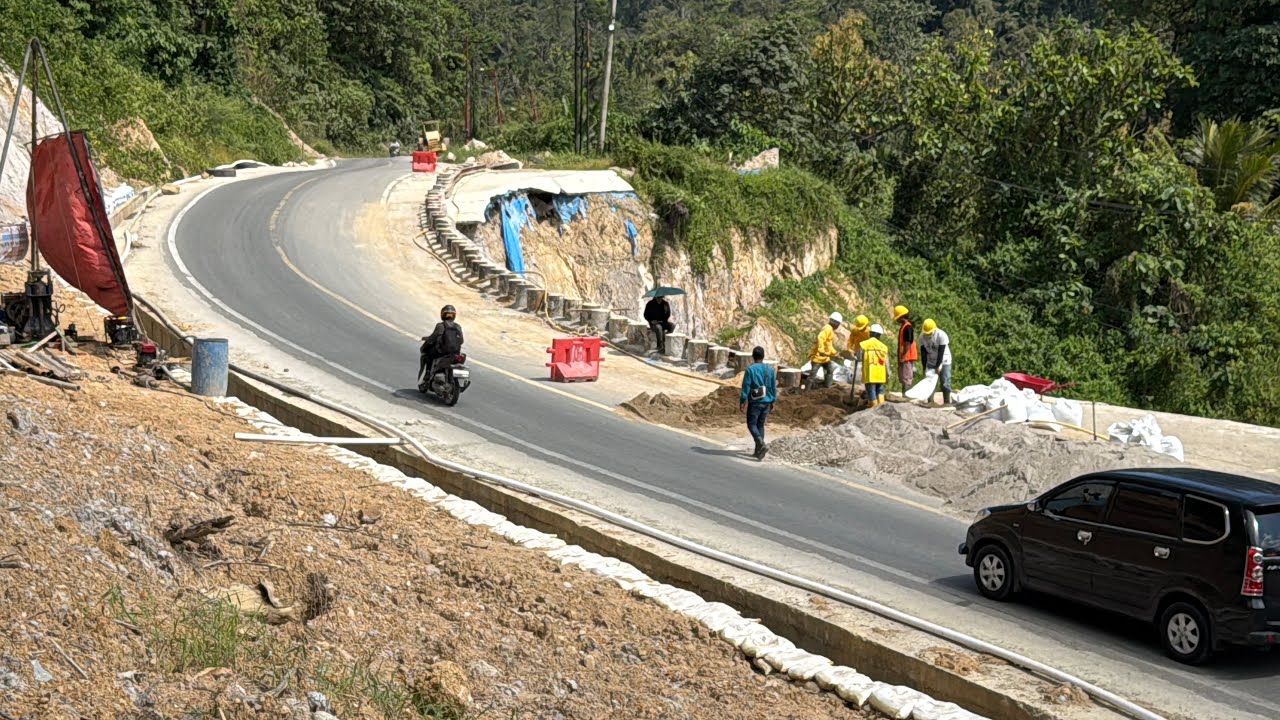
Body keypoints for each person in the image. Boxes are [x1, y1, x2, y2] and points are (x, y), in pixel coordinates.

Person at [739, 346, 777, 460]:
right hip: (767, 401)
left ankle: (760, 442)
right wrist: (773, 400)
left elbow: (746, 386)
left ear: (753, 356)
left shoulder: (750, 369)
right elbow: (772, 387)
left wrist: (742, 401)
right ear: (763, 356)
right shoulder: (770, 370)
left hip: (755, 401)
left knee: (751, 424)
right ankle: (758, 452)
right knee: (760, 425)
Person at [420, 304, 465, 383]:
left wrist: (425, 346)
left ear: (443, 314)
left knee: (429, 354)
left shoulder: (441, 326)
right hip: (455, 353)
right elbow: (461, 341)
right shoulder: (458, 327)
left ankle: (427, 374)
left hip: (442, 352)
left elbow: (432, 338)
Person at [918, 318, 953, 405]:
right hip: (931, 360)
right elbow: (923, 353)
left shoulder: (941, 335)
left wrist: (939, 365)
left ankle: (947, 401)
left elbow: (941, 352)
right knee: (930, 381)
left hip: (944, 360)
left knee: (945, 381)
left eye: (930, 333)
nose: (928, 334)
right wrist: (924, 367)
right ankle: (930, 401)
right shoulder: (922, 337)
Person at [807, 311, 842, 390]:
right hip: (818, 357)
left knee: (829, 370)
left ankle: (827, 387)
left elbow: (829, 345)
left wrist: (835, 353)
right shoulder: (827, 329)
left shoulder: (830, 330)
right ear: (836, 324)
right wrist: (821, 350)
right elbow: (820, 338)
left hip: (825, 357)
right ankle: (807, 390)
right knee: (813, 374)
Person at [858, 324, 890, 407]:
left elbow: (859, 358)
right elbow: (887, 362)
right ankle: (882, 407)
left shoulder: (863, 344)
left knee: (871, 391)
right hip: (881, 374)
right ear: (879, 335)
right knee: (880, 391)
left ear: (870, 333)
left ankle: (873, 408)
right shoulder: (884, 347)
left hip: (870, 374)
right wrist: (888, 374)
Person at [844, 314, 871, 402]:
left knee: (866, 372)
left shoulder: (869, 332)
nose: (862, 329)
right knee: (855, 372)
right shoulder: (855, 330)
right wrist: (849, 349)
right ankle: (852, 393)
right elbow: (850, 340)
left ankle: (866, 392)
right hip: (857, 352)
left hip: (867, 353)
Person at [893, 304, 919, 392]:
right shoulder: (904, 327)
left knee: (907, 377)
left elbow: (908, 342)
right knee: (903, 376)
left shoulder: (908, 327)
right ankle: (905, 394)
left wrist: (904, 356)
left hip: (907, 357)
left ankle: (907, 396)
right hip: (904, 356)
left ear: (901, 317)